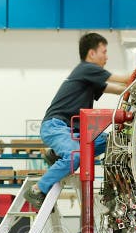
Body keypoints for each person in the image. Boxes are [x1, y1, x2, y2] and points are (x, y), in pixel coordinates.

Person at [24, 33, 129, 209]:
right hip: (56, 126)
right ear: (92, 53)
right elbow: (125, 80)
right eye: (104, 51)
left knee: (113, 142)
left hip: (74, 132)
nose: (107, 56)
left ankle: (57, 154)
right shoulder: (86, 68)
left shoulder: (89, 78)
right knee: (76, 156)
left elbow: (120, 90)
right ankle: (37, 189)